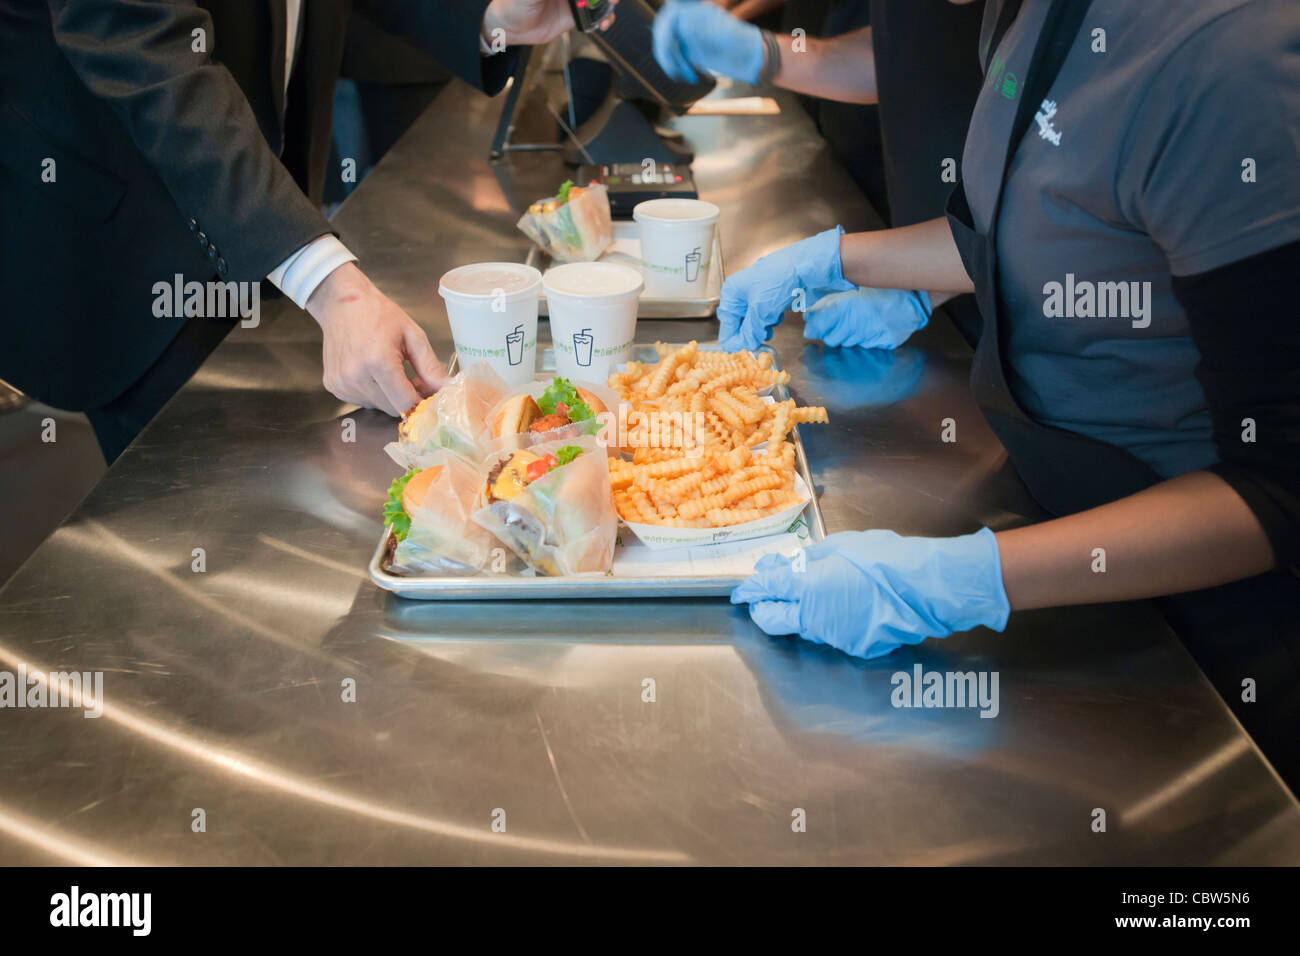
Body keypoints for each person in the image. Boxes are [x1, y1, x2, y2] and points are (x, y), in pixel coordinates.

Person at [660, 0, 1300, 788]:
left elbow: (1281, 488)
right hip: (1051, 533)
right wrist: (841, 260)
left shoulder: (1230, 58)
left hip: (1206, 642)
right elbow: (1028, 226)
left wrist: (956, 583)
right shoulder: (1030, 15)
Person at [0, 0, 612, 463]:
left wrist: (490, 15)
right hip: (122, 231)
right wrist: (327, 283)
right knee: (189, 529)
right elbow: (141, 47)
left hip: (264, 197)